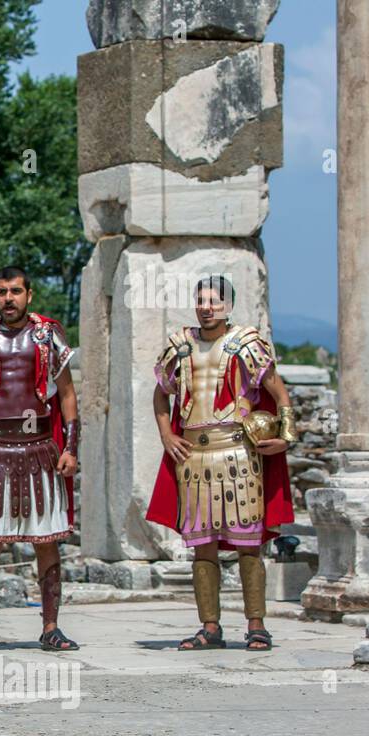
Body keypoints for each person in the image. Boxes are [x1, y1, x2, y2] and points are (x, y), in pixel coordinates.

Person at [146, 276, 295, 651]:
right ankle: (209, 627)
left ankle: (256, 624)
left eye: (214, 301)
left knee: (248, 542)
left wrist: (288, 435)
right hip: (194, 455)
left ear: (228, 306)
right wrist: (166, 435)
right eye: (201, 300)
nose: (206, 307)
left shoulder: (248, 344)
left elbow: (278, 390)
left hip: (239, 451)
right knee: (202, 545)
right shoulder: (179, 347)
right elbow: (161, 396)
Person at [0, 267, 80, 653]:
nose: (9, 298)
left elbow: (68, 395)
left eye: (16, 291)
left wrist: (71, 447)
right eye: (2, 291)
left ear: (30, 295)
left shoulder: (49, 335)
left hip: (41, 450)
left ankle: (51, 628)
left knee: (47, 543)